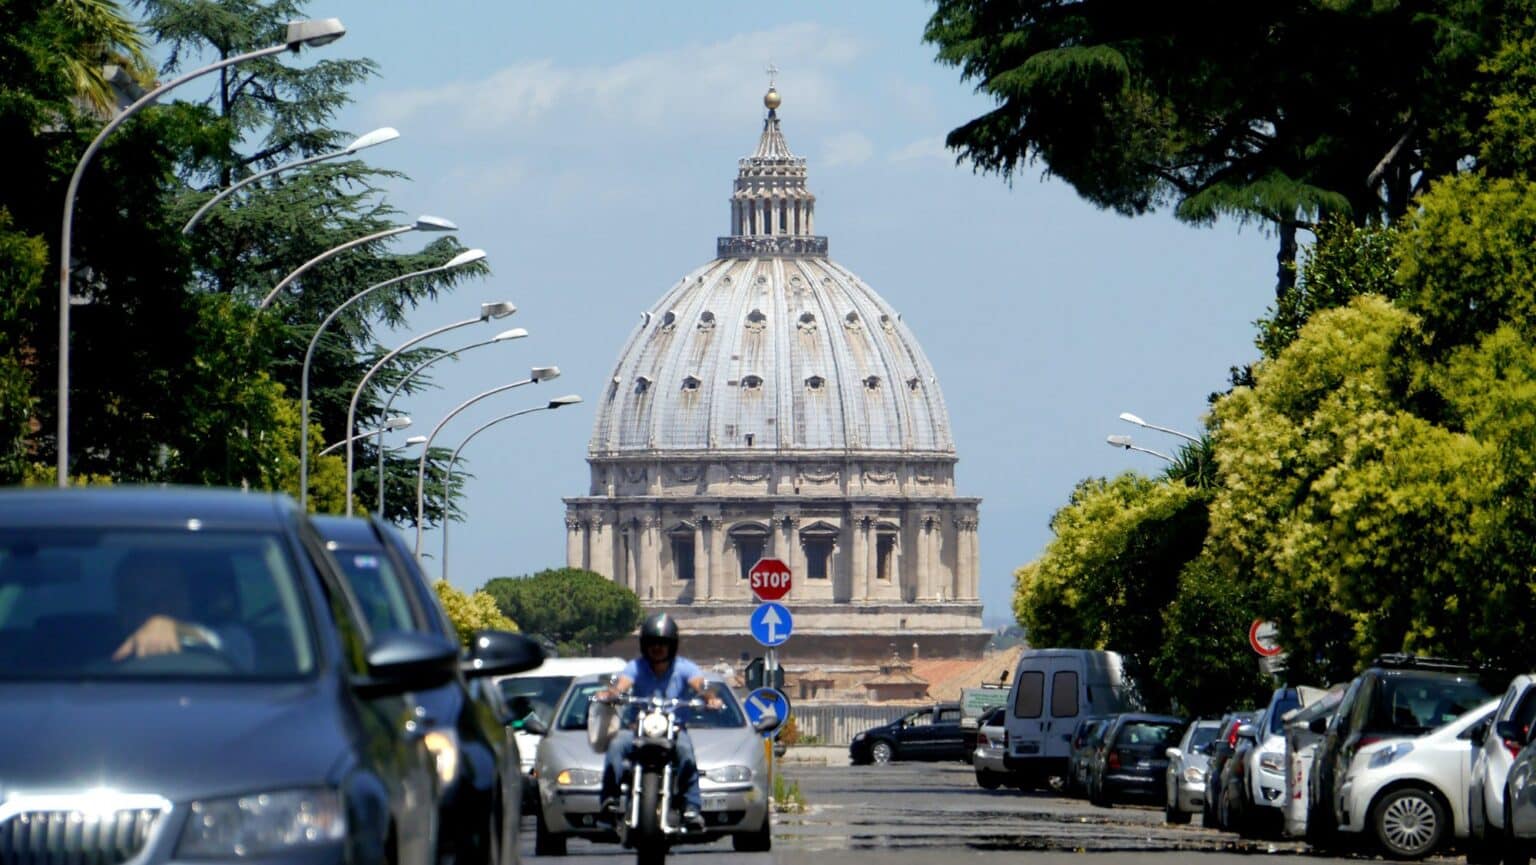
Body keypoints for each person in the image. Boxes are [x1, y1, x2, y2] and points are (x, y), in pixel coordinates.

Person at [596, 612, 723, 831]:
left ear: (671, 646)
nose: (657, 648)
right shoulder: (635, 667)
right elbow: (622, 685)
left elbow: (700, 685)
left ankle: (691, 807)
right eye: (653, 643)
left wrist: (710, 698)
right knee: (616, 745)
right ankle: (610, 801)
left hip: (673, 729)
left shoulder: (685, 668)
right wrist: (611, 694)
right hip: (639, 729)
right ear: (645, 645)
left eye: (662, 643)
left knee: (685, 753)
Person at [112, 550, 254, 669]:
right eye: (137, 597)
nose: (156, 607)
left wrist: (180, 631)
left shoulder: (232, 637)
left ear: (185, 597)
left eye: (165, 594)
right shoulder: (95, 650)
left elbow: (234, 646)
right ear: (122, 607)